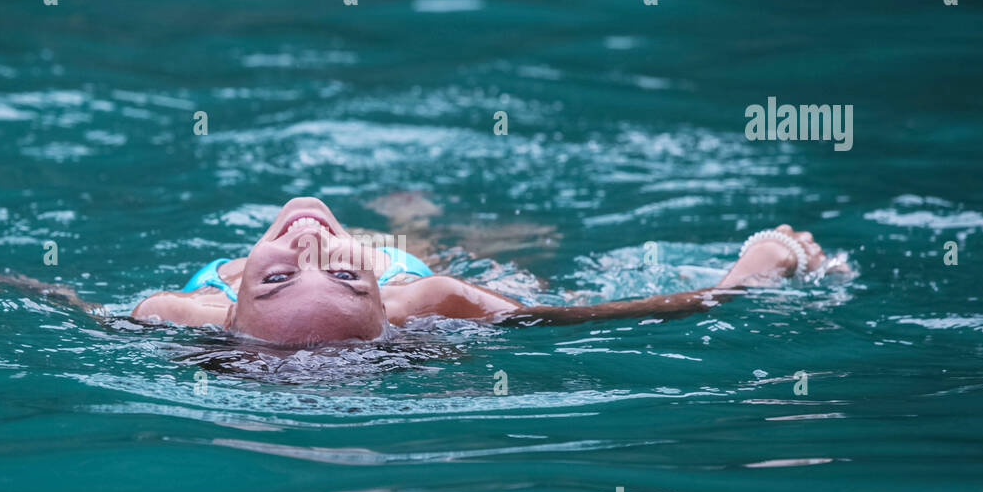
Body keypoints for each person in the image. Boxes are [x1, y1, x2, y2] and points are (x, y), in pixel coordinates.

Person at [121, 196, 849, 347]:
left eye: (275, 275)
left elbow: (47, 301)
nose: (309, 248)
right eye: (345, 276)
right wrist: (749, 274)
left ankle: (418, 213)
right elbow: (605, 314)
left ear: (236, 307)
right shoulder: (425, 296)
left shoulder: (176, 313)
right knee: (512, 278)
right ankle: (429, 223)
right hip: (401, 259)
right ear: (380, 302)